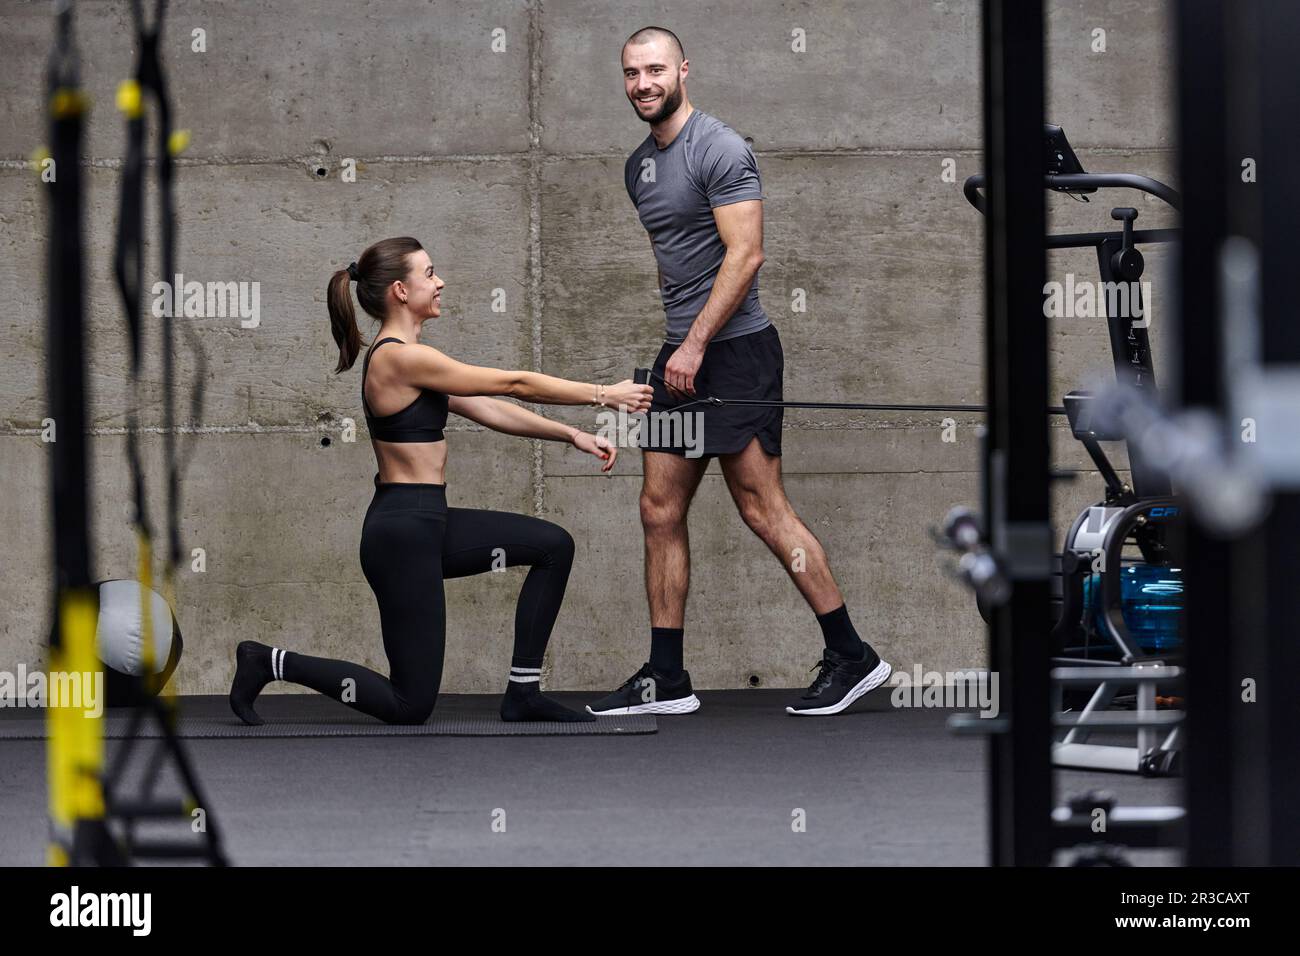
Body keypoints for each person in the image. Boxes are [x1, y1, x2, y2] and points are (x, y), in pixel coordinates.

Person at [586, 28, 892, 718]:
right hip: (682, 352)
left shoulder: (719, 148)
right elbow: (676, 259)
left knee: (761, 509)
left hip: (735, 352)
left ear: (683, 70)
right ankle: (666, 677)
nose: (643, 83)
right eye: (632, 73)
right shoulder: (639, 167)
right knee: (658, 509)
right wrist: (679, 347)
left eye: (655, 69)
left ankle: (852, 655)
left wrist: (694, 345)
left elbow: (746, 256)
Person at [229, 236, 653, 725]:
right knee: (409, 705)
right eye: (429, 273)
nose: (440, 281)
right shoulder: (397, 358)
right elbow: (513, 383)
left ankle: (523, 694)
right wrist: (603, 393)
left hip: (430, 523)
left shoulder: (417, 358)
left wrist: (571, 435)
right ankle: (268, 661)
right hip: (402, 535)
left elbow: (490, 407)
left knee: (553, 545)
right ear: (400, 291)